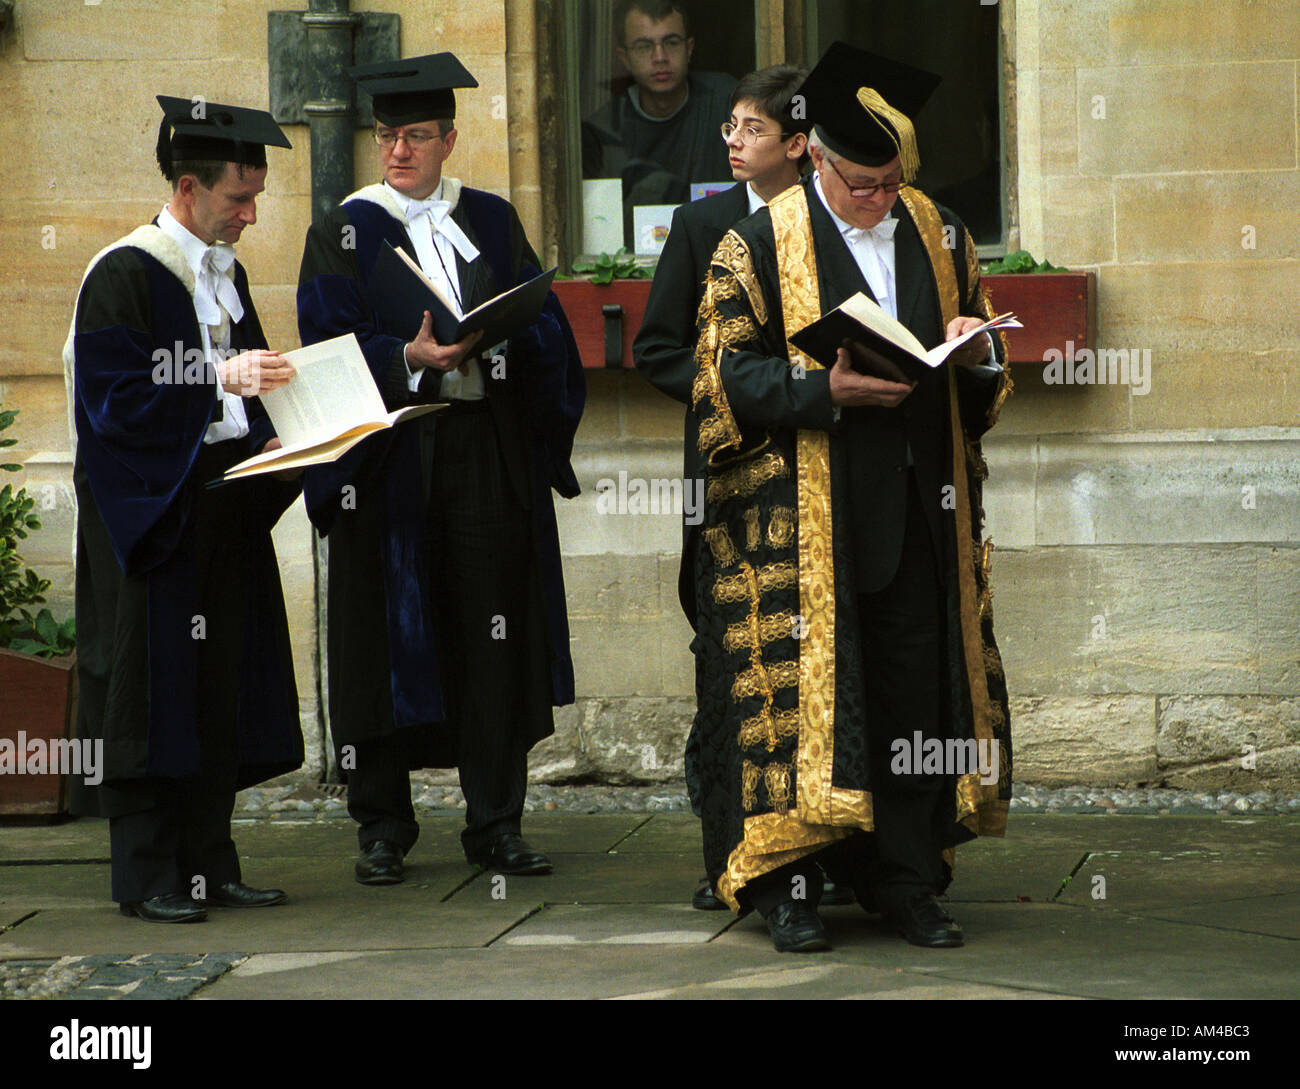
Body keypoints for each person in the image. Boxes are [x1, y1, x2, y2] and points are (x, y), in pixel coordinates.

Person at [689, 43, 1014, 953]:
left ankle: (906, 878)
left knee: (913, 696)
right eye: (862, 181)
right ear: (814, 156)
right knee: (797, 710)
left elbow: (980, 361)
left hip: (918, 510)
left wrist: (976, 346)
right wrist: (819, 393)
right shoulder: (755, 241)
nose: (880, 196)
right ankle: (788, 885)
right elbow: (721, 381)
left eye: (892, 179)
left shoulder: (941, 231)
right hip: (802, 524)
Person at [296, 53, 585, 886]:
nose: (397, 151)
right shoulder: (342, 228)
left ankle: (496, 820)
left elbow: (548, 329)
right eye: (386, 136)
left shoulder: (492, 220)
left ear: (449, 138)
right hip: (389, 459)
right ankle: (383, 825)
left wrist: (507, 332)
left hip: (482, 451)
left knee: (492, 629)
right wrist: (405, 356)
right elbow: (325, 340)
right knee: (384, 636)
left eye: (416, 136)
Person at [65, 97, 304, 923]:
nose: (249, 214)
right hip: (152, 514)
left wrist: (286, 439)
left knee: (219, 684)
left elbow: (252, 381)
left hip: (219, 501)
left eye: (257, 198)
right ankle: (148, 874)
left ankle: (210, 861)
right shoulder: (124, 272)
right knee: (150, 691)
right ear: (190, 186)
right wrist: (216, 378)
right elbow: (115, 401)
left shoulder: (224, 275)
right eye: (239, 198)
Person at [635, 64, 818, 911]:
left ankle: (812, 839)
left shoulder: (830, 223)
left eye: (751, 129)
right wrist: (733, 389)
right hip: (724, 465)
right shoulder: (703, 221)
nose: (734, 140)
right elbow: (657, 348)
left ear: (797, 143)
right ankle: (728, 853)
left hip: (814, 464)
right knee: (725, 651)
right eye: (731, 127)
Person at [582, 0, 736, 243]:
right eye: (644, 46)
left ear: (689, 48)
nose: (660, 57)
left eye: (671, 43)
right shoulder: (604, 129)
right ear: (624, 57)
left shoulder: (728, 103)